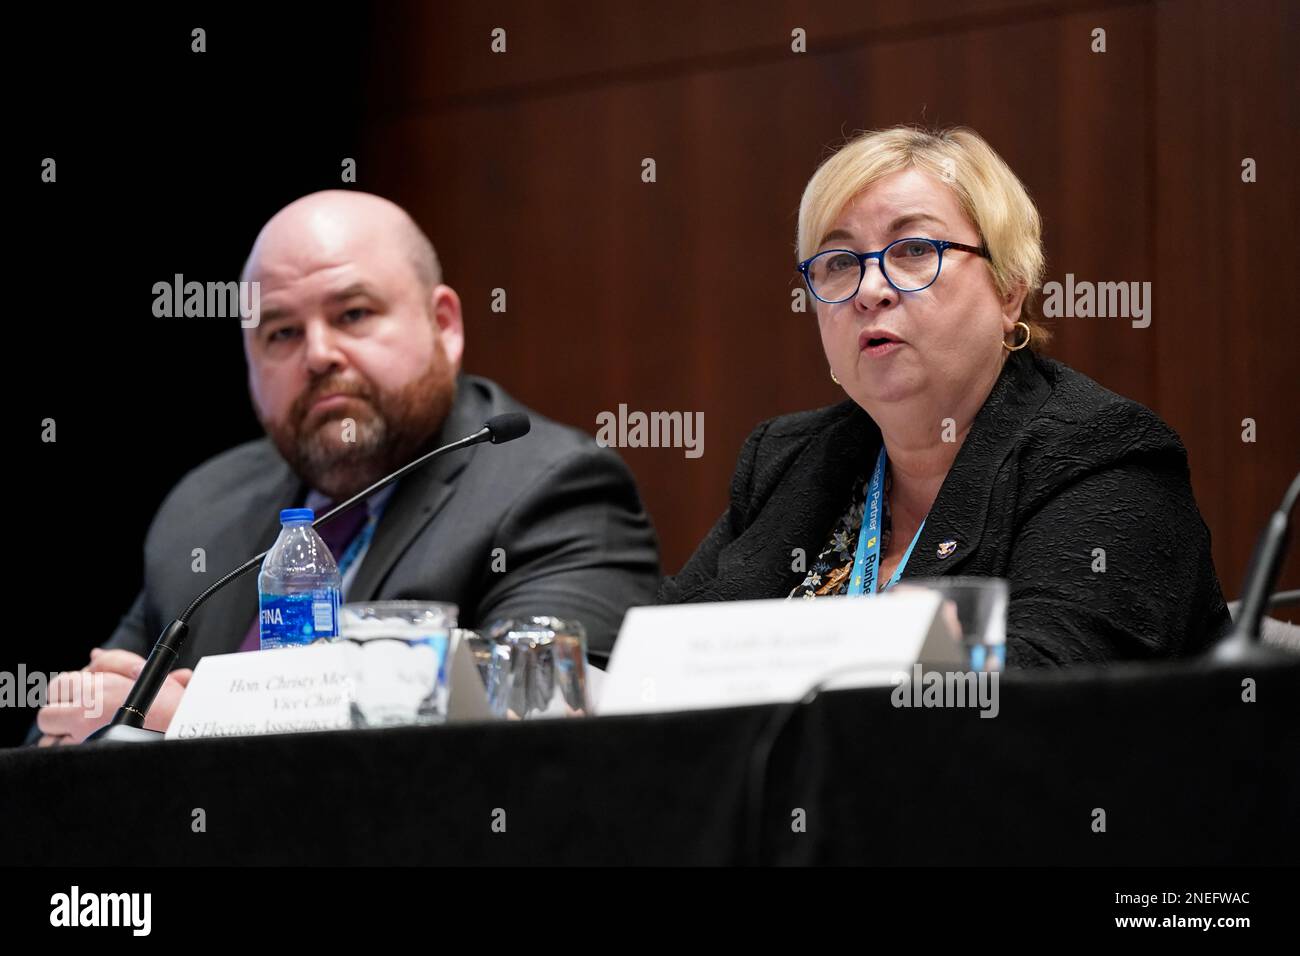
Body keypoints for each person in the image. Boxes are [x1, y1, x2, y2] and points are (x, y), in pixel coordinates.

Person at [33, 190, 659, 744]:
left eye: (353, 314)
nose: (319, 354)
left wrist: (194, 712)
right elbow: (85, 718)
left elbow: (537, 736)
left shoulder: (552, 489)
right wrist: (72, 724)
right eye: (280, 333)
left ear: (444, 325)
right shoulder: (205, 506)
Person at [659, 126, 1231, 665]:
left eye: (912, 250)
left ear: (1009, 293)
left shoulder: (1103, 458)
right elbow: (660, 660)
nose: (870, 290)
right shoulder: (787, 459)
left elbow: (1043, 701)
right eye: (839, 262)